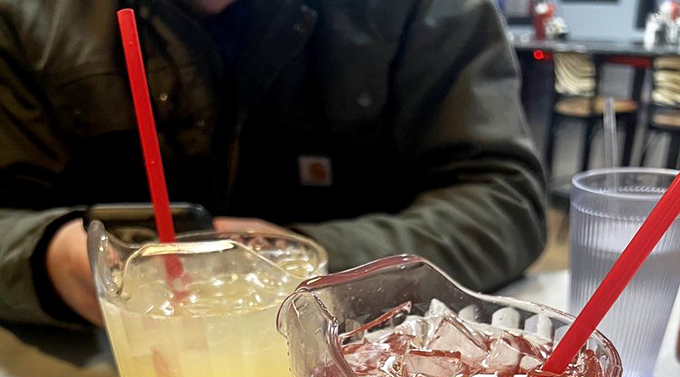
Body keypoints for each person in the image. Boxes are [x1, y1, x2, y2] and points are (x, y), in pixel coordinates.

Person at [0, 0, 546, 327]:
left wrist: (304, 265)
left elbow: (502, 198)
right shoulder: (27, 19)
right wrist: (50, 256)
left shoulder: (422, 12)